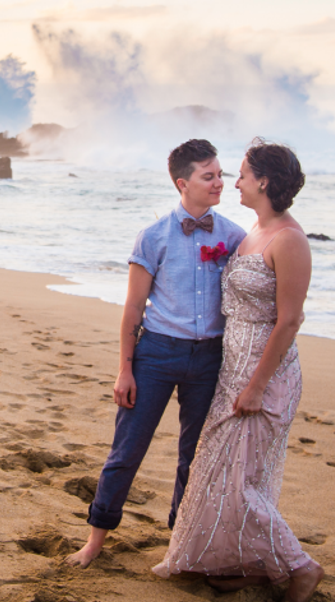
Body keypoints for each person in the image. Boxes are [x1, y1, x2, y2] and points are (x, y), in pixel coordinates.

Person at [151, 139, 323, 602]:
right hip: (233, 369)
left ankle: (302, 567)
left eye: (243, 174)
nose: (235, 182)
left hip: (264, 376)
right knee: (221, 472)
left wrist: (257, 386)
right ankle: (245, 563)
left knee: (241, 482)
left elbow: (289, 320)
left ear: (264, 181)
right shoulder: (254, 230)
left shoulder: (290, 239)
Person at [65, 139, 246, 568]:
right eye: (209, 176)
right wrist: (124, 369)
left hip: (209, 360)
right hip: (156, 355)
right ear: (183, 183)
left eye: (221, 174)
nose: (220, 182)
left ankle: (179, 542)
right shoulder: (153, 237)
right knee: (127, 450)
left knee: (195, 456)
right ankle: (95, 540)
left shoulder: (235, 237)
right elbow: (133, 307)